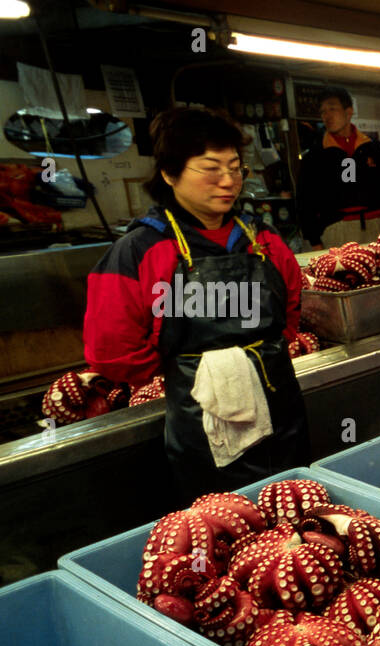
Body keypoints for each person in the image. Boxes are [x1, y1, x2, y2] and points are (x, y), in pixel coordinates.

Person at [84, 107, 310, 501]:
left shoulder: (264, 240)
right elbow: (109, 349)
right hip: (202, 422)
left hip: (282, 410)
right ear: (170, 174)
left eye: (236, 168)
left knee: (293, 513)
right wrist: (186, 369)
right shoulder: (139, 250)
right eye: (210, 168)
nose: (229, 181)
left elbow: (291, 310)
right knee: (222, 523)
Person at [297, 87, 380, 250]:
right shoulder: (315, 156)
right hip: (336, 231)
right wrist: (314, 241)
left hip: (376, 228)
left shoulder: (374, 148)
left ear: (348, 112)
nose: (327, 116)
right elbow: (304, 203)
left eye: (332, 109)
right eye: (323, 112)